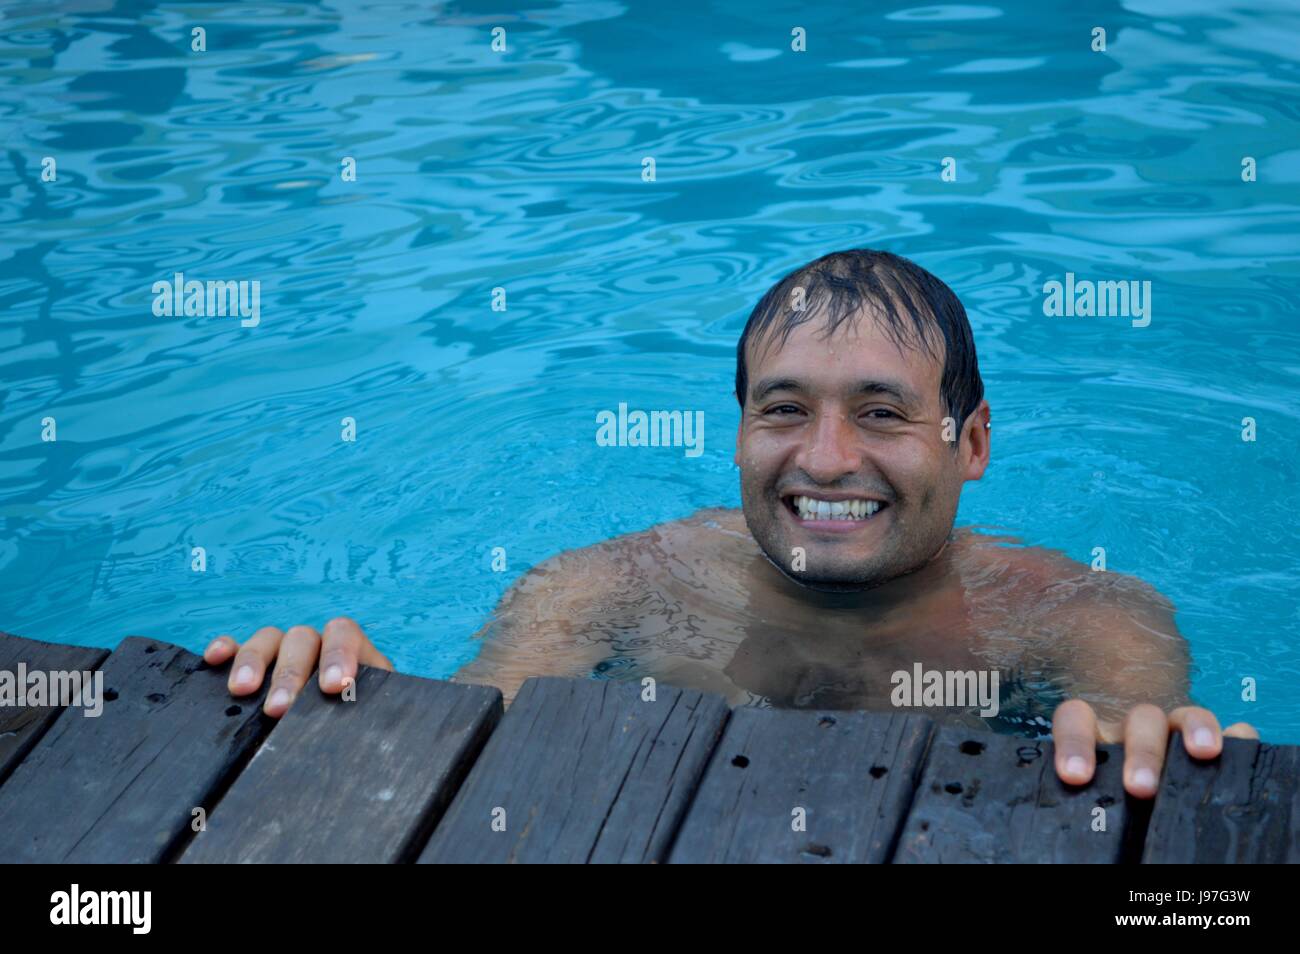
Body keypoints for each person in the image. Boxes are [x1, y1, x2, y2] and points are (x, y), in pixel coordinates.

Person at [204, 248, 1257, 799]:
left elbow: (1131, 762)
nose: (826, 459)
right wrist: (355, 697)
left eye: (881, 413)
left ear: (970, 443)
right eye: (784, 409)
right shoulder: (606, 588)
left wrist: (1148, 756)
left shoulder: (1079, 617)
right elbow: (466, 758)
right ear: (741, 432)